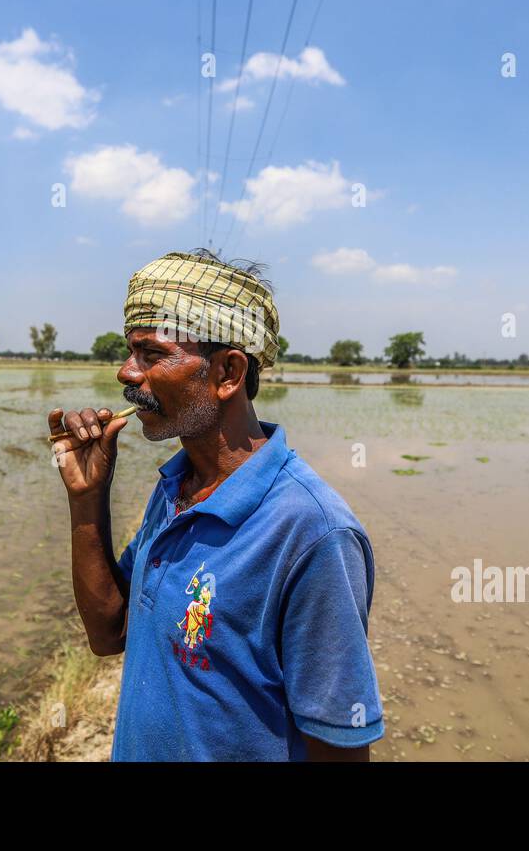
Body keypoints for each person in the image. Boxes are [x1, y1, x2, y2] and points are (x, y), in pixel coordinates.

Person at [49, 249, 383, 761]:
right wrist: (87, 501)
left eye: (150, 354)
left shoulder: (312, 532)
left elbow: (338, 747)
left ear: (228, 372)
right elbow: (109, 631)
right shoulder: (175, 490)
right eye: (129, 353)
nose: (125, 373)